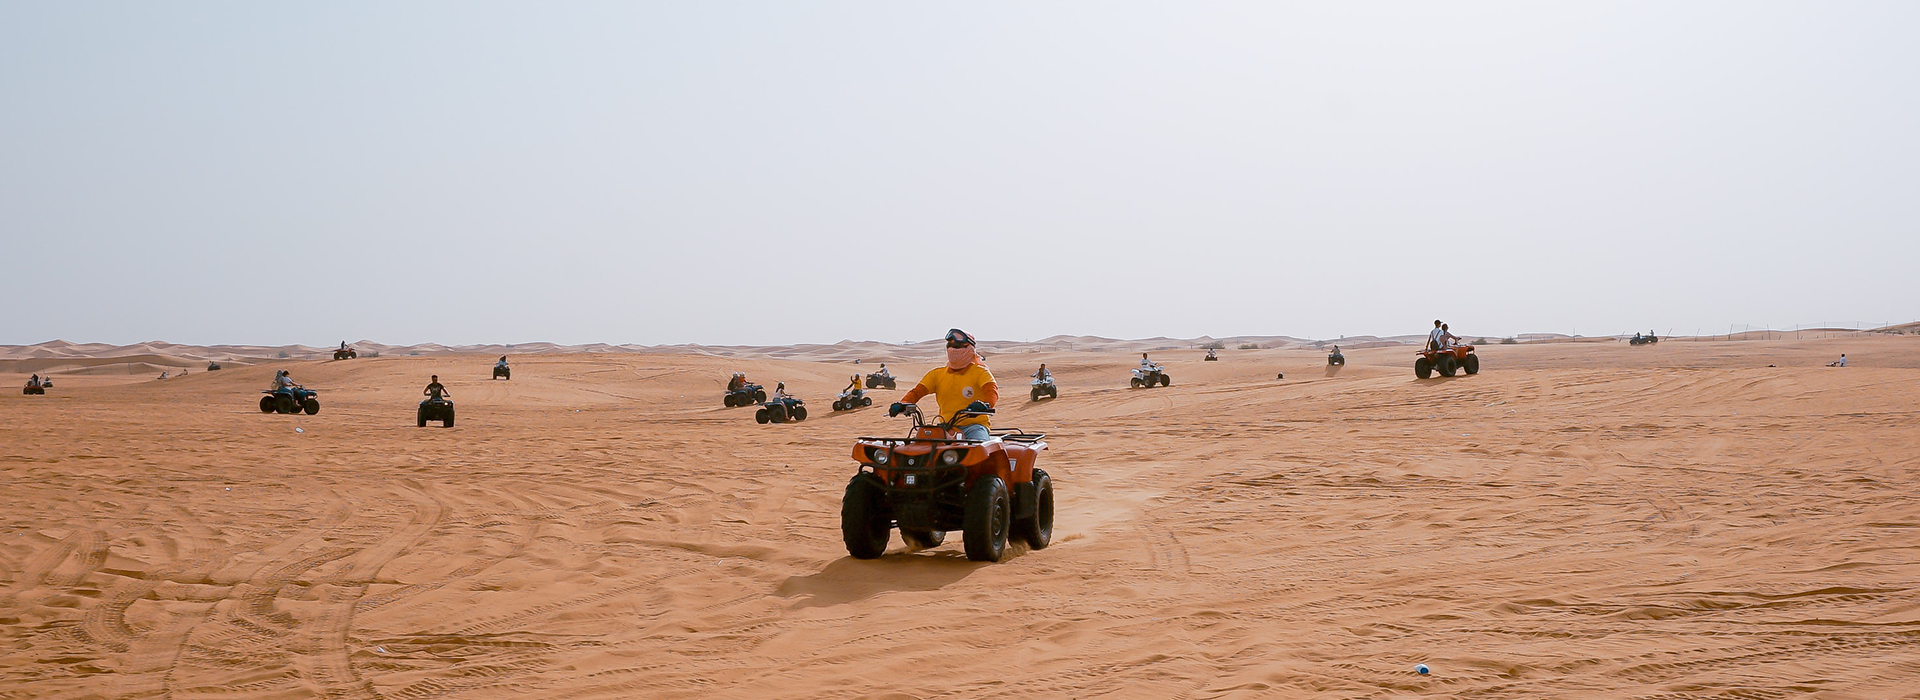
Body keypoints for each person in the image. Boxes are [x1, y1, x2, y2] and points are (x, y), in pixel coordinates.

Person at [891, 328, 999, 441]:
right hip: (945, 428)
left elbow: (991, 391)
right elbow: (917, 392)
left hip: (974, 427)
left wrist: (985, 405)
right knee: (918, 448)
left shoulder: (980, 372)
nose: (952, 349)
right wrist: (903, 404)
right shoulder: (937, 374)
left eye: (957, 346)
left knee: (977, 448)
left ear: (969, 349)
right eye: (949, 345)